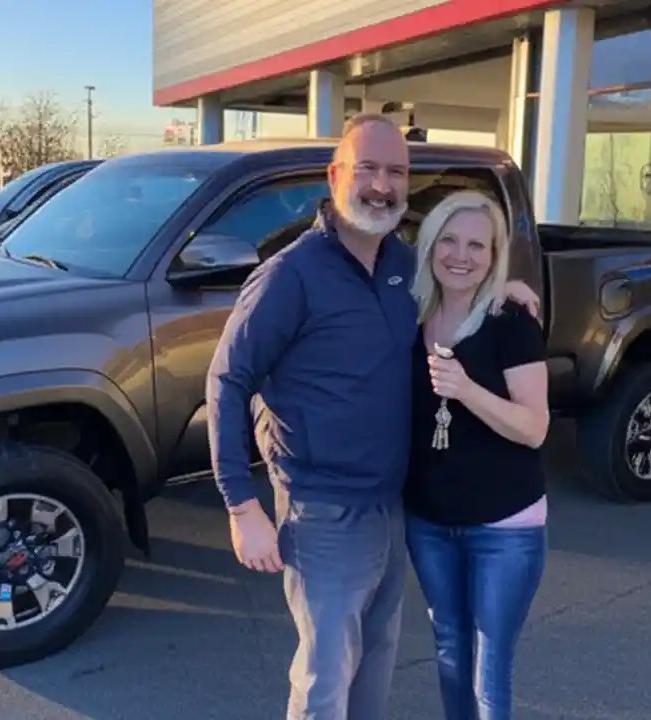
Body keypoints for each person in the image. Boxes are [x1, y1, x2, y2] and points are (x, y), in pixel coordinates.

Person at [205, 112, 539, 719]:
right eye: (368, 169)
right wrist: (241, 505)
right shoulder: (291, 276)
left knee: (374, 671)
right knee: (325, 679)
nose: (382, 185)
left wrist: (504, 286)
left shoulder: (404, 266)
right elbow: (228, 379)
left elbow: (459, 279)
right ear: (335, 176)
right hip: (322, 512)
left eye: (396, 172)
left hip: (392, 510)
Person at [402, 189, 550, 720]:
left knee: (490, 667)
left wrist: (465, 390)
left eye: (477, 246)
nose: (461, 256)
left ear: (494, 257)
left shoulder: (510, 320)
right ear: (429, 245)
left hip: (505, 527)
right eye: (449, 240)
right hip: (429, 521)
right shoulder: (411, 312)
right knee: (448, 647)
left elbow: (535, 427)